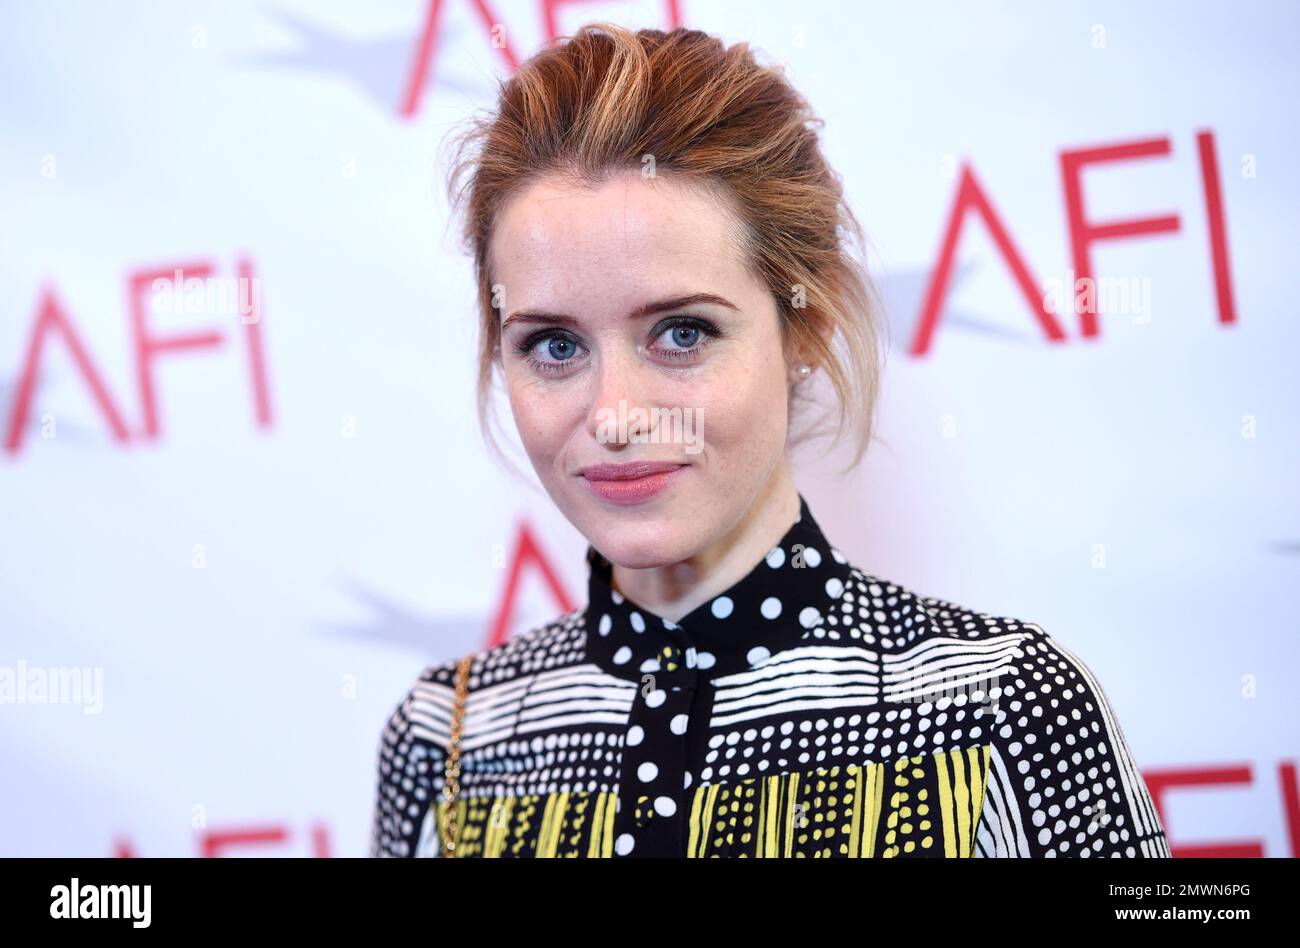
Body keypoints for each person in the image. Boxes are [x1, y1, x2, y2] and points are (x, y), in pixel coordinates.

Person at [370, 22, 1171, 858]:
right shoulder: (446, 745)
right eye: (555, 346)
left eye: (681, 333)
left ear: (805, 334)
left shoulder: (1008, 712)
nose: (614, 415)